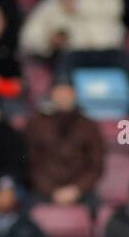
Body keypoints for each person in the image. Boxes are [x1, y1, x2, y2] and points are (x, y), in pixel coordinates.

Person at [18, 0, 127, 70]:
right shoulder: (48, 6)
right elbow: (28, 38)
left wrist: (79, 9)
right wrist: (49, 41)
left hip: (110, 51)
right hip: (76, 55)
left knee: (128, 62)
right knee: (63, 65)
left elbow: (117, 8)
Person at [25, 76, 105, 209]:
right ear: (52, 95)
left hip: (81, 191)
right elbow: (32, 163)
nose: (63, 97)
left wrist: (76, 189)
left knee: (99, 210)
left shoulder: (89, 126)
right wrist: (52, 190)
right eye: (59, 93)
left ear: (75, 95)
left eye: (67, 93)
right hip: (44, 190)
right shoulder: (36, 124)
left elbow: (96, 165)